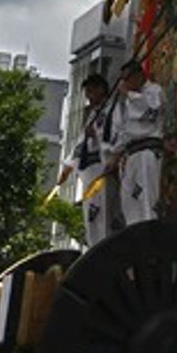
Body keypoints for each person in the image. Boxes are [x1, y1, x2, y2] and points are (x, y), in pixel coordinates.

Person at [57, 73, 117, 247]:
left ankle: (105, 250)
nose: (88, 97)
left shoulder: (113, 110)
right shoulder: (93, 116)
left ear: (101, 90)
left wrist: (97, 135)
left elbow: (118, 137)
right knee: (91, 217)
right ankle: (93, 248)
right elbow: (80, 143)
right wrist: (68, 167)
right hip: (88, 171)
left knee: (104, 215)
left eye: (91, 91)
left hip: (103, 166)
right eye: (86, 93)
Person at [107, 60, 164, 227]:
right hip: (130, 155)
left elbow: (150, 112)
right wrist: (115, 155)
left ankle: (149, 238)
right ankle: (133, 237)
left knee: (146, 198)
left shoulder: (154, 91)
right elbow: (123, 129)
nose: (125, 84)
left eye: (128, 79)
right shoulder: (126, 100)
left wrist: (130, 95)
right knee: (130, 201)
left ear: (139, 76)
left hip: (147, 151)